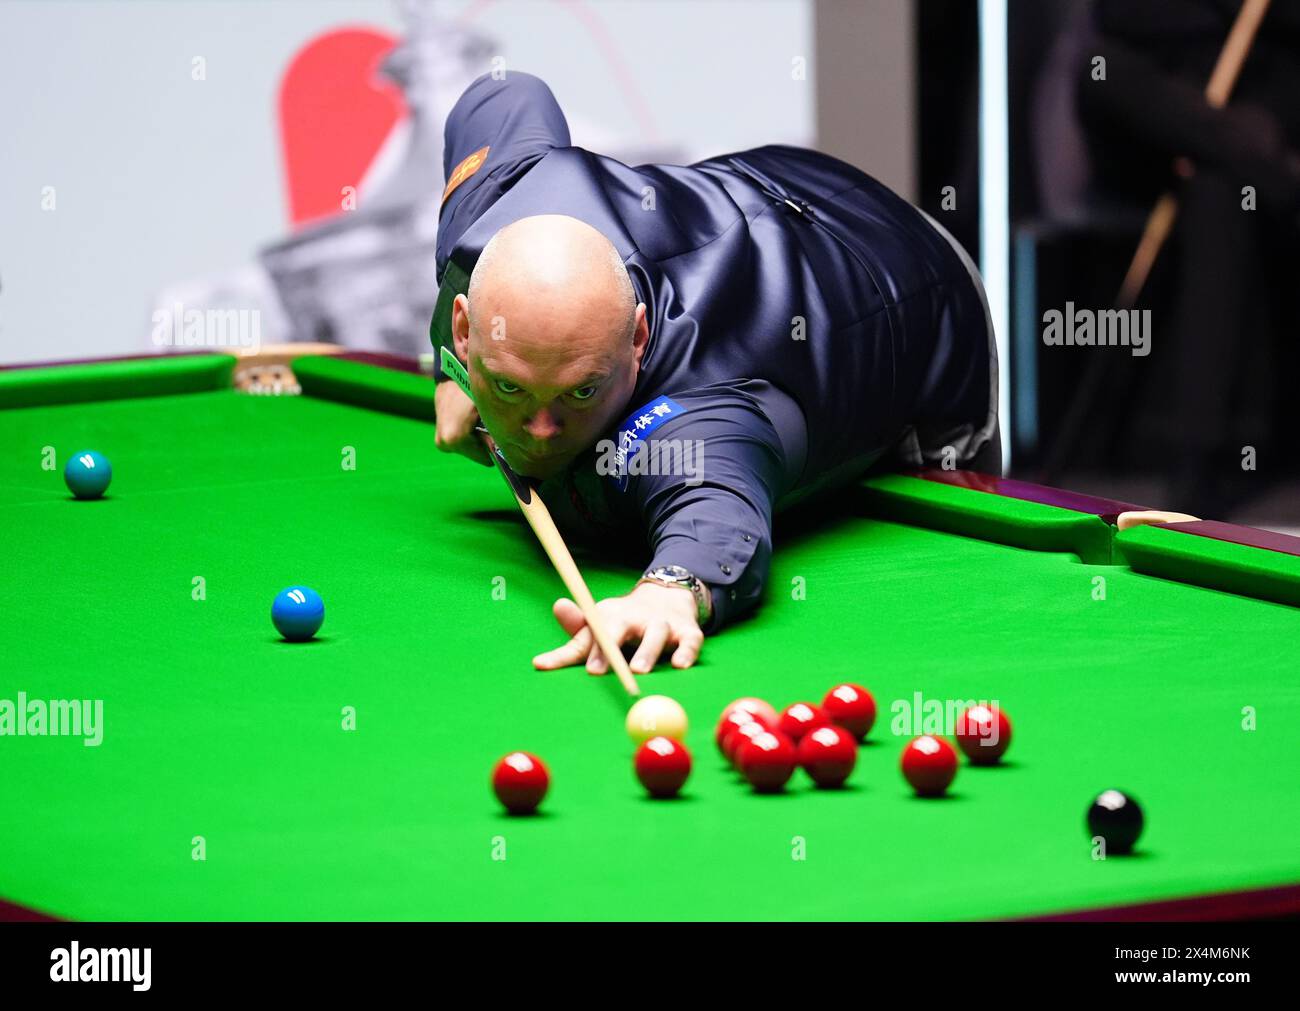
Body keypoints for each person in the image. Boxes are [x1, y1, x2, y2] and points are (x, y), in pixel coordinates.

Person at [430, 71, 997, 676]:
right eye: (513, 386)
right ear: (468, 328)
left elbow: (717, 504)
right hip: (762, 181)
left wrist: (672, 591)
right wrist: (450, 371)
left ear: (639, 339)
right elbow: (506, 93)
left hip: (909, 288)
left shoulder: (695, 410)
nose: (541, 431)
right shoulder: (491, 212)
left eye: (582, 391)